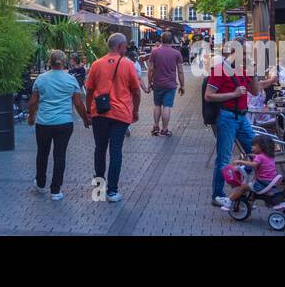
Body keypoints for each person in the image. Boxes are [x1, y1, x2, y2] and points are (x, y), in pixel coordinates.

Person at [206, 41, 277, 208]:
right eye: (244, 53)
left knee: (257, 153)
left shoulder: (245, 69)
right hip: (227, 116)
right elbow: (208, 96)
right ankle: (217, 195)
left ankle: (253, 185)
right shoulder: (219, 70)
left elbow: (254, 91)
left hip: (243, 117)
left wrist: (253, 75)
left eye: (247, 53)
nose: (247, 56)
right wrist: (233, 94)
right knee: (224, 158)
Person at [84, 32, 141, 203]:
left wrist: (88, 111)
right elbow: (136, 91)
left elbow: (89, 90)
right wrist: (135, 110)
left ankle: (99, 188)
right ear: (120, 46)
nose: (126, 49)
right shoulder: (127, 64)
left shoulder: (96, 64)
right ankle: (113, 191)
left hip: (99, 112)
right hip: (121, 114)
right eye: (125, 47)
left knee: (100, 149)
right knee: (116, 150)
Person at [27, 49, 90, 201]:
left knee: (42, 153)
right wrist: (86, 119)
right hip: (64, 123)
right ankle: (56, 190)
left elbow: (33, 101)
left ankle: (41, 183)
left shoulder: (41, 79)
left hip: (44, 122)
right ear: (64, 62)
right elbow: (78, 104)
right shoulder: (70, 80)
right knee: (59, 155)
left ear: (50, 61)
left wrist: (31, 116)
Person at [223, 133, 282, 211]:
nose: (251, 147)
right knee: (251, 185)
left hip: (262, 183)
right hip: (271, 181)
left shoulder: (260, 157)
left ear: (261, 147)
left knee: (242, 187)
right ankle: (250, 203)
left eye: (254, 146)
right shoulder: (270, 155)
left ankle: (229, 201)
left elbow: (254, 164)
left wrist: (240, 161)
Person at [147, 36, 187, 137]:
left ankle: (156, 127)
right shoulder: (176, 53)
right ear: (172, 41)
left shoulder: (154, 52)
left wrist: (149, 82)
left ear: (161, 40)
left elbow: (150, 69)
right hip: (170, 84)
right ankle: (164, 130)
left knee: (157, 105)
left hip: (157, 83)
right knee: (167, 106)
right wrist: (182, 86)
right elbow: (180, 71)